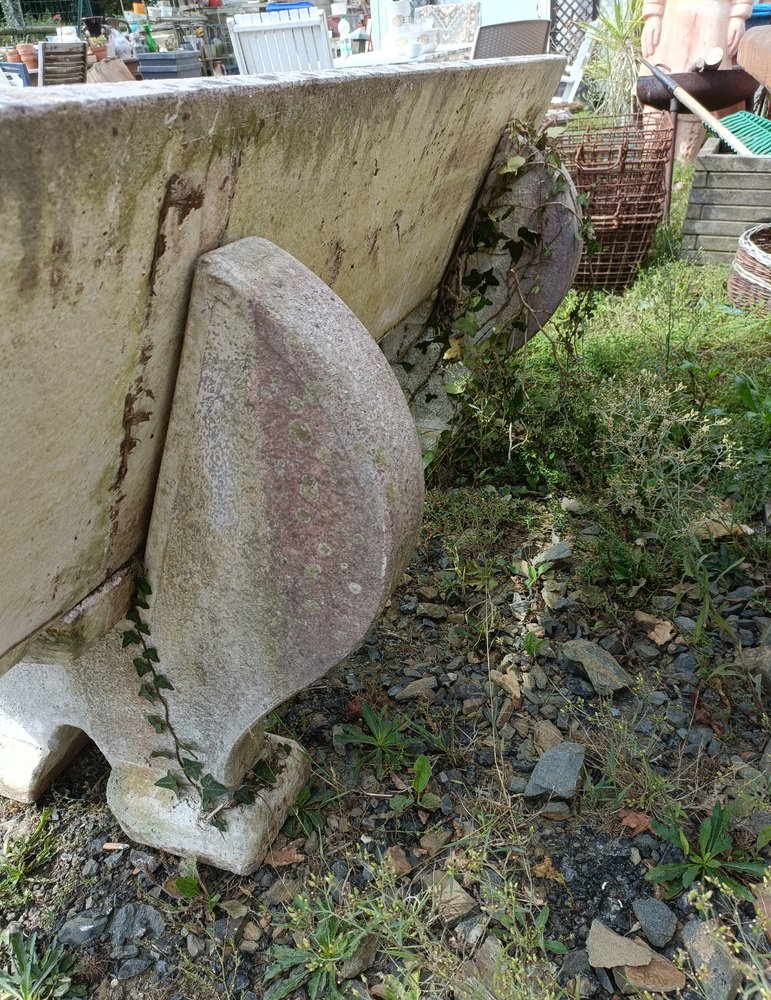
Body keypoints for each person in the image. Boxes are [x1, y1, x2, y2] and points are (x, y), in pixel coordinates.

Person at [641, 0, 753, 157]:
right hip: (670, 20)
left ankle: (682, 170)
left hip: (713, 20)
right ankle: (655, 168)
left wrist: (738, 15)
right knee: (658, 93)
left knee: (700, 89)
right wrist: (653, 13)